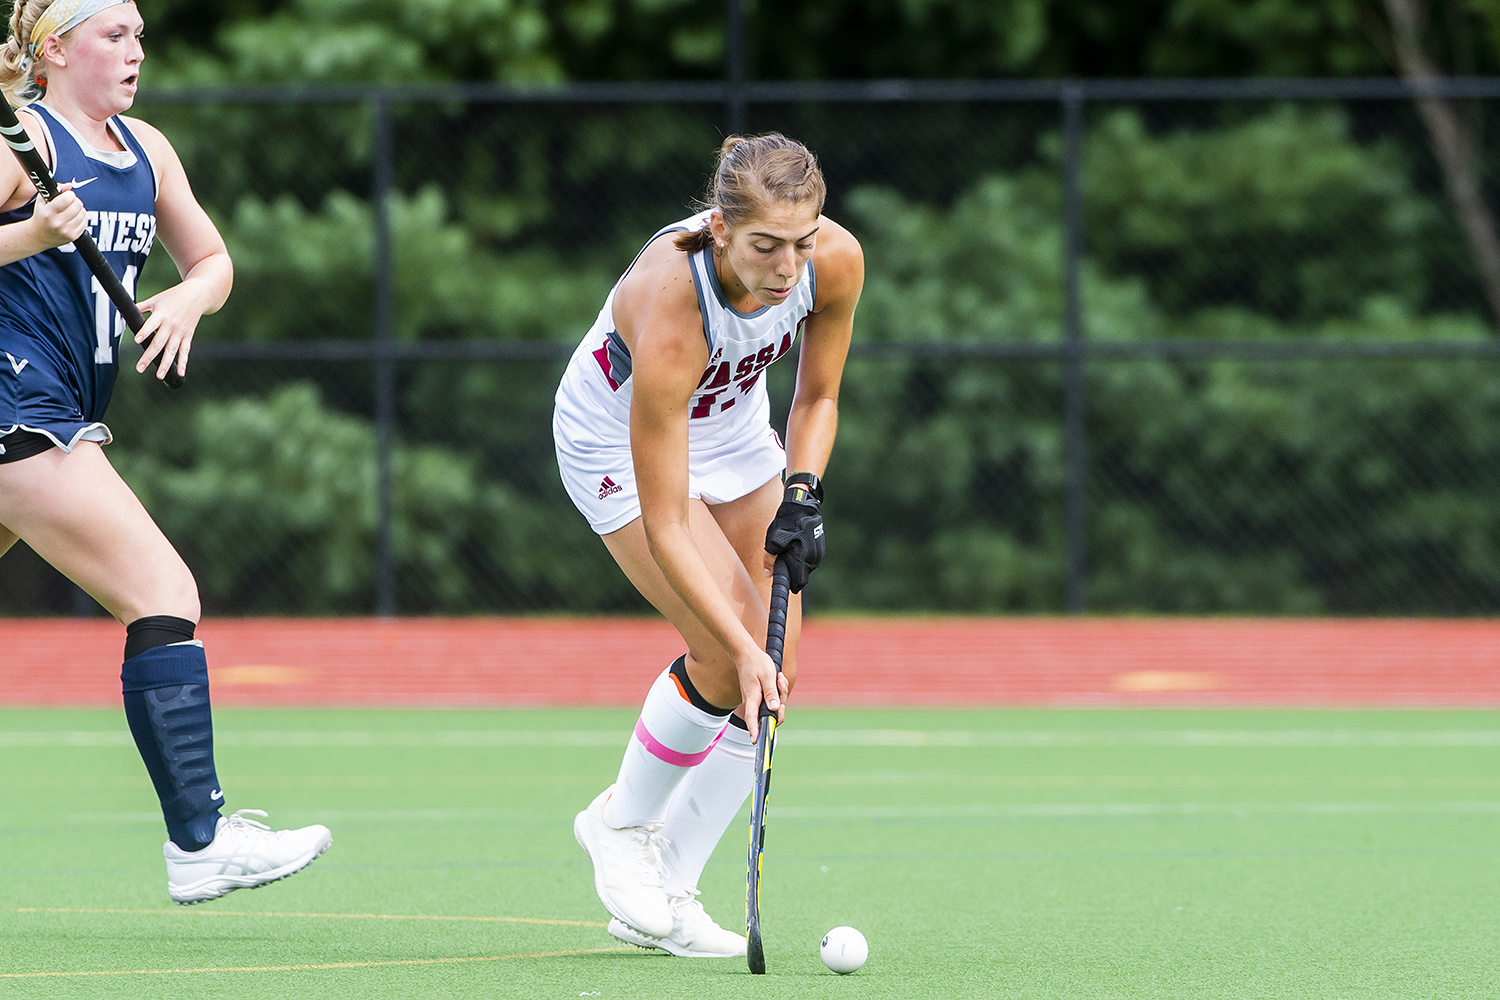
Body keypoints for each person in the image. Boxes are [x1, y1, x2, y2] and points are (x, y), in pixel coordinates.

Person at [0, 0, 330, 904]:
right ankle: (199, 842)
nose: (136, 50)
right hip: (16, 406)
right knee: (164, 592)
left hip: (57, 405)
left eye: (141, 34)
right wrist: (30, 234)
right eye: (115, 34)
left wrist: (189, 299)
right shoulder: (23, 139)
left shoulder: (144, 149)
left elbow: (213, 258)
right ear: (57, 48)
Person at [553, 132, 863, 956]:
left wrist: (804, 489)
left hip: (730, 433)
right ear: (721, 229)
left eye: (802, 241)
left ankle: (669, 890)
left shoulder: (833, 261)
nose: (789, 267)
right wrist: (736, 645)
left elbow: (819, 396)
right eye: (766, 246)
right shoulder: (674, 303)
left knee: (780, 663)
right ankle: (619, 825)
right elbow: (666, 522)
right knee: (730, 659)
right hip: (618, 443)